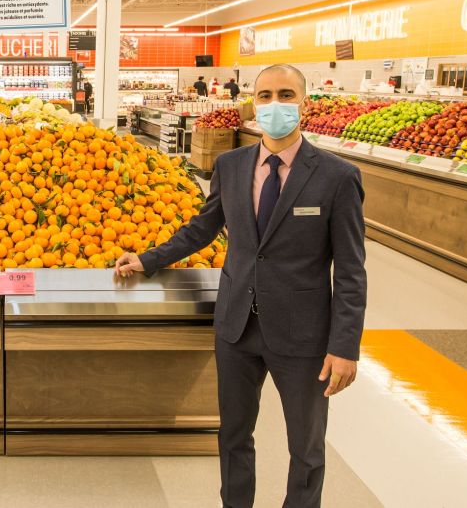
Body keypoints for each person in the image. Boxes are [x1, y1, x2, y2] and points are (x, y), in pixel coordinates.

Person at [116, 64, 366, 508]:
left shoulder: (336, 176)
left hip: (303, 333)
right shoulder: (230, 166)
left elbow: (350, 270)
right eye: (266, 95)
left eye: (286, 95)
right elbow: (202, 229)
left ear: (305, 104)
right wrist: (148, 259)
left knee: (305, 447)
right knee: (233, 435)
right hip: (236, 326)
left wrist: (345, 345)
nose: (275, 105)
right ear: (253, 103)